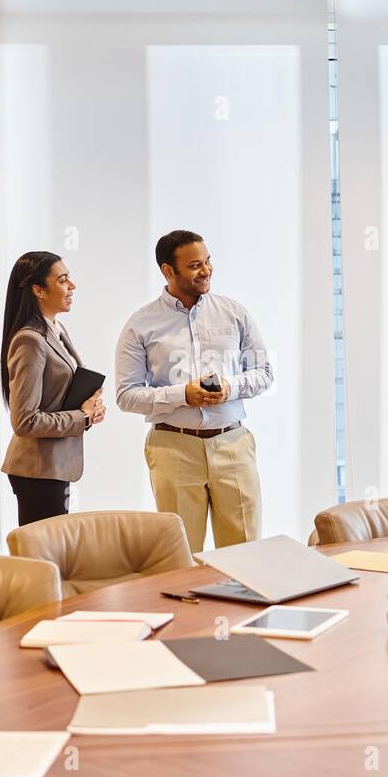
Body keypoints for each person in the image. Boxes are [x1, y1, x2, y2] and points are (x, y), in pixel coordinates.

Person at [115, 230, 273, 553]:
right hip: (173, 448)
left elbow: (264, 373)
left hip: (233, 444)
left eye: (208, 261)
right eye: (195, 265)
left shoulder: (235, 313)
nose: (206, 271)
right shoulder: (140, 325)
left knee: (245, 554)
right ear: (168, 271)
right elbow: (126, 394)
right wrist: (181, 395)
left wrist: (230, 387)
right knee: (184, 558)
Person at [0, 251, 105, 526]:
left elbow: (56, 399)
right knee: (44, 559)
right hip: (38, 471)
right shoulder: (30, 340)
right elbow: (25, 421)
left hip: (54, 467)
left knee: (54, 555)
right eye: (63, 280)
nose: (72, 286)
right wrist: (80, 417)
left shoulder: (55, 330)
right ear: (38, 290)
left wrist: (89, 412)